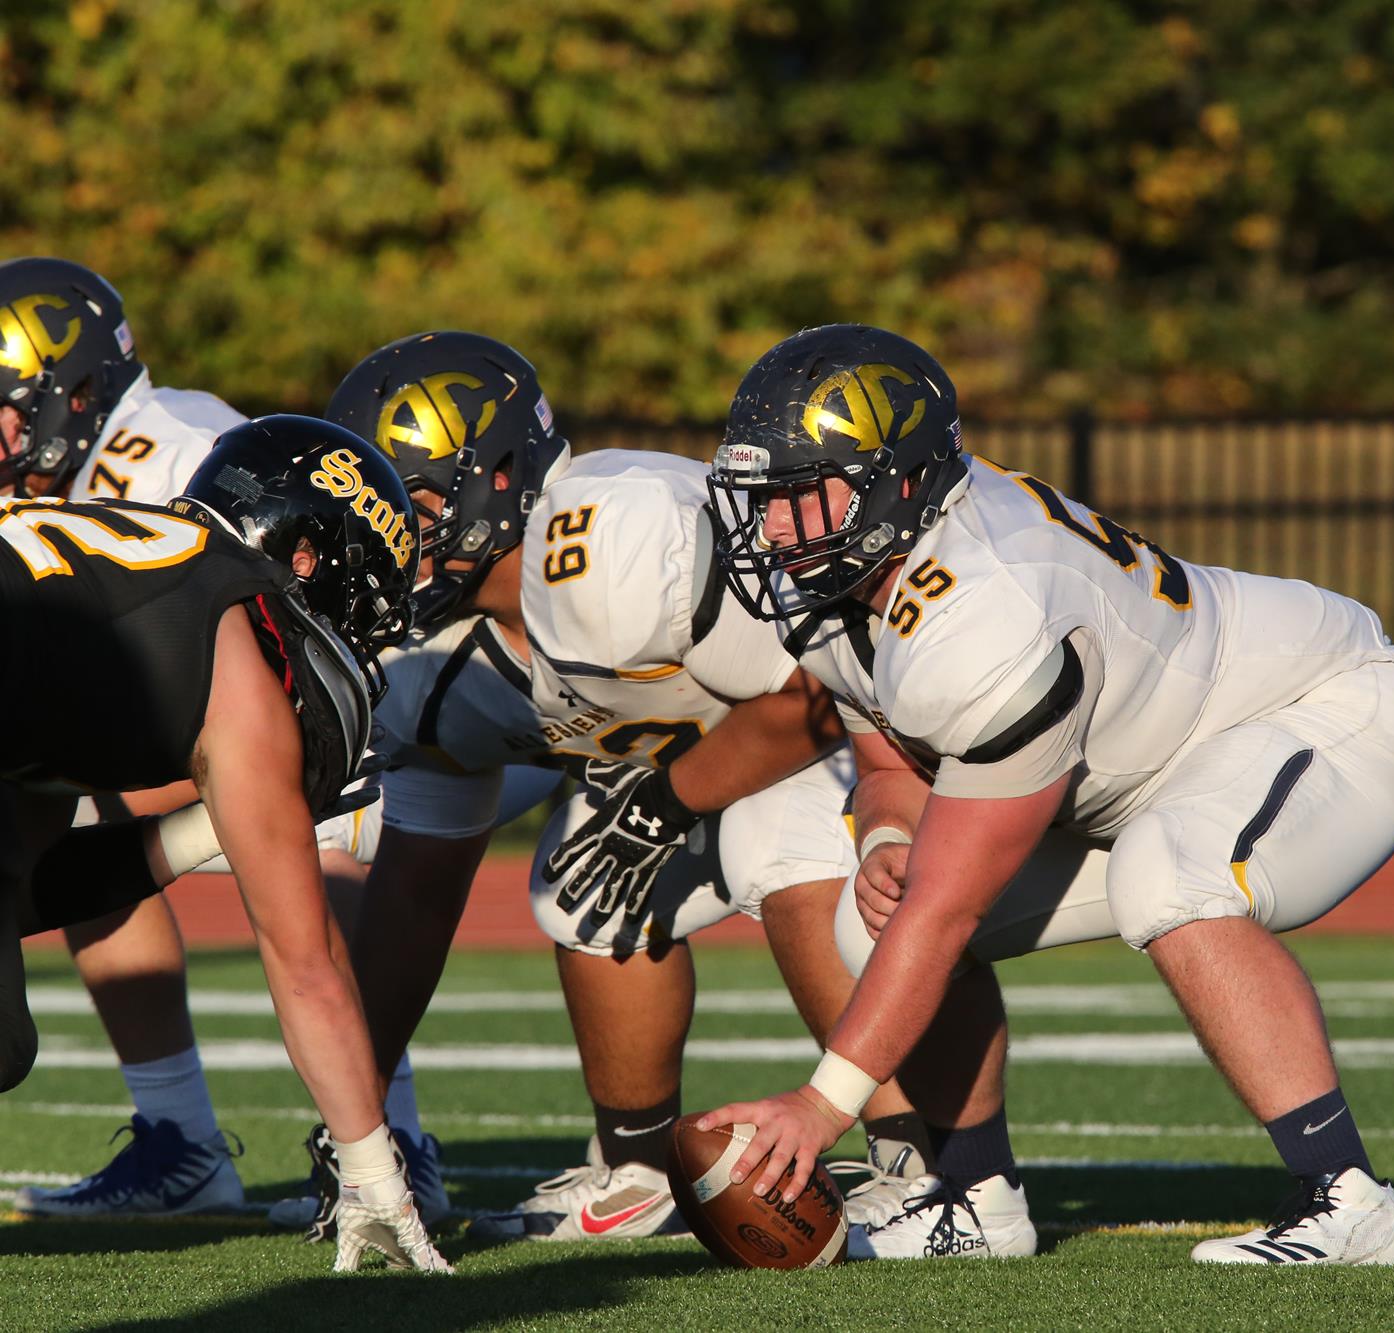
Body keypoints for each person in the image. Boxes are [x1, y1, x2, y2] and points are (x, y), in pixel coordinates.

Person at [699, 324, 1394, 1264]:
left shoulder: (984, 612)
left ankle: (1347, 1196)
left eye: (799, 497)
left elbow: (950, 907)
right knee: (869, 915)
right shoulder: (856, 582)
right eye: (763, 501)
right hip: (1141, 767)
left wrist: (819, 1104)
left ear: (895, 485)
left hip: (1318, 707)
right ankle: (978, 1199)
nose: (769, 530)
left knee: (1166, 873)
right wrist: (887, 835)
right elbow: (890, 763)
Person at [258, 332, 932, 1244]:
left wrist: (667, 803)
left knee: (779, 833)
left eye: (408, 507)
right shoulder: (417, 663)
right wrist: (361, 1126)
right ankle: (638, 1167)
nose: (389, 542)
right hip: (687, 762)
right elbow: (415, 894)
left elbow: (812, 695)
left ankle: (913, 1155)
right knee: (581, 874)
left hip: (852, 736)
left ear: (497, 479)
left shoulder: (609, 538)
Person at [0, 414, 450, 1272]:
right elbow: (306, 960)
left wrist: (207, 827)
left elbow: (24, 894)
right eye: (362, 602)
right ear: (306, 562)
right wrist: (373, 1176)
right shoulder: (235, 637)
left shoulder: (116, 578)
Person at [0, 255, 388, 1221]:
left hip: (269, 718)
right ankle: (185, 1134)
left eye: (9, 404)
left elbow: (254, 611)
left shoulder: (177, 444)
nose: (4, 431)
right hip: (100, 715)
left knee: (303, 908)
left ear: (74, 389)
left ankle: (390, 1142)